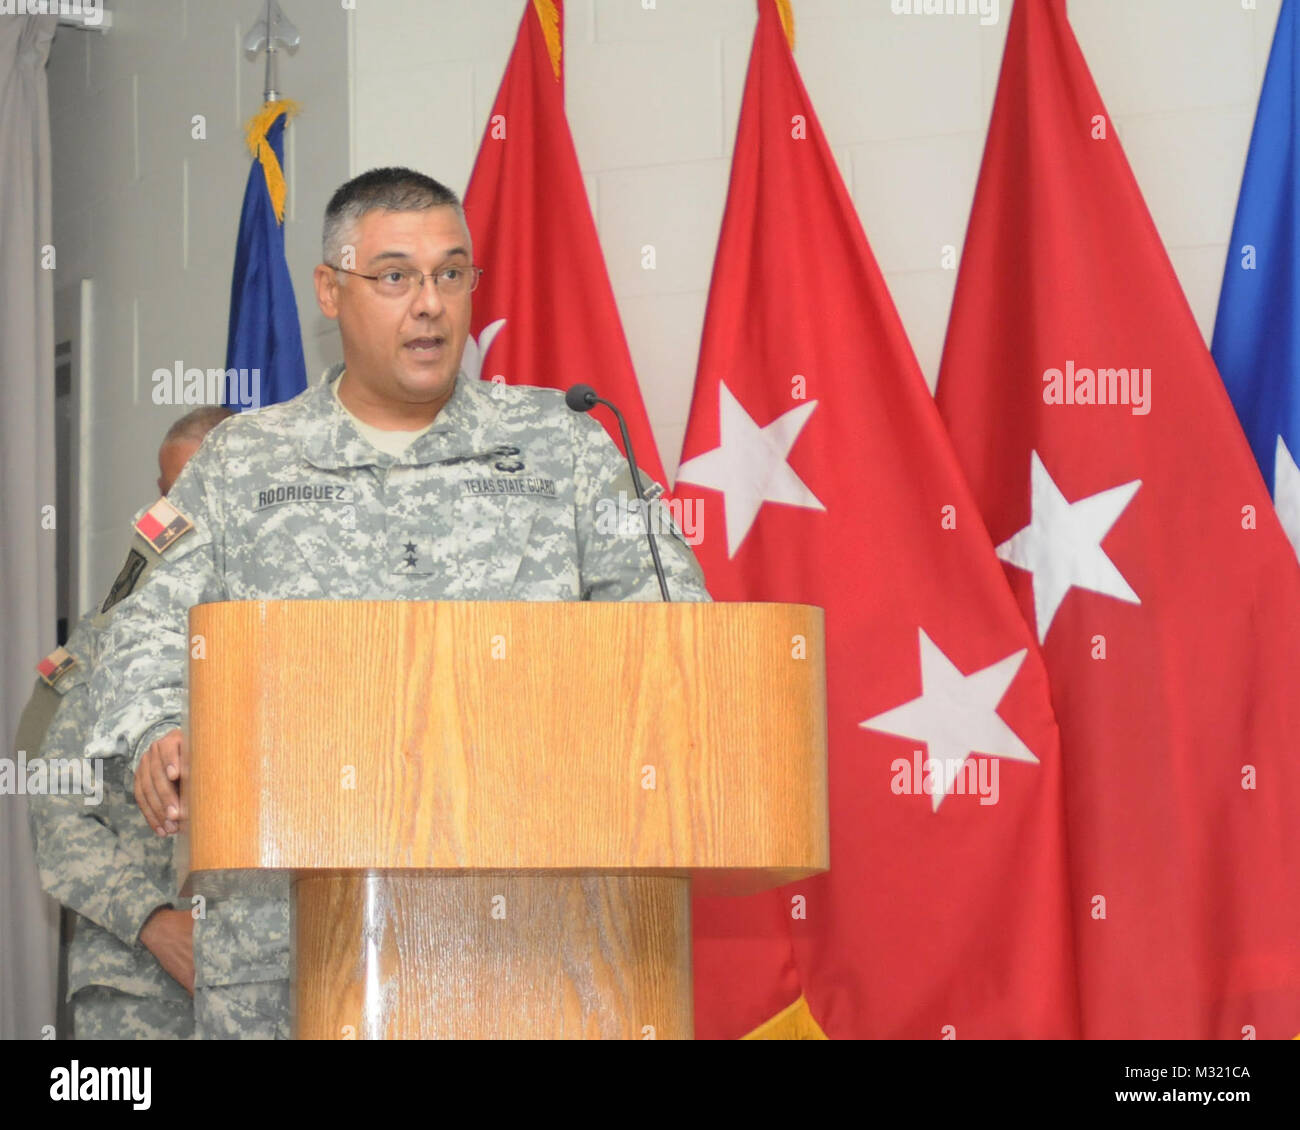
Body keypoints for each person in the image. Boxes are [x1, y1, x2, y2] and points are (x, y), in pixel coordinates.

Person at [87, 166, 710, 1039]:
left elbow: (675, 623)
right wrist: (159, 730)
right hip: (290, 950)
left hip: (539, 945)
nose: (430, 304)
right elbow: (142, 628)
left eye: (452, 274)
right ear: (330, 292)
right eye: (396, 276)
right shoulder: (241, 464)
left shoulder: (561, 445)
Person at [19, 406, 232, 1039]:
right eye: (169, 496)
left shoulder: (305, 632)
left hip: (281, 980)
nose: (178, 515)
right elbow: (56, 807)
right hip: (135, 985)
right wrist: (152, 921)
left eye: (197, 491)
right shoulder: (111, 637)